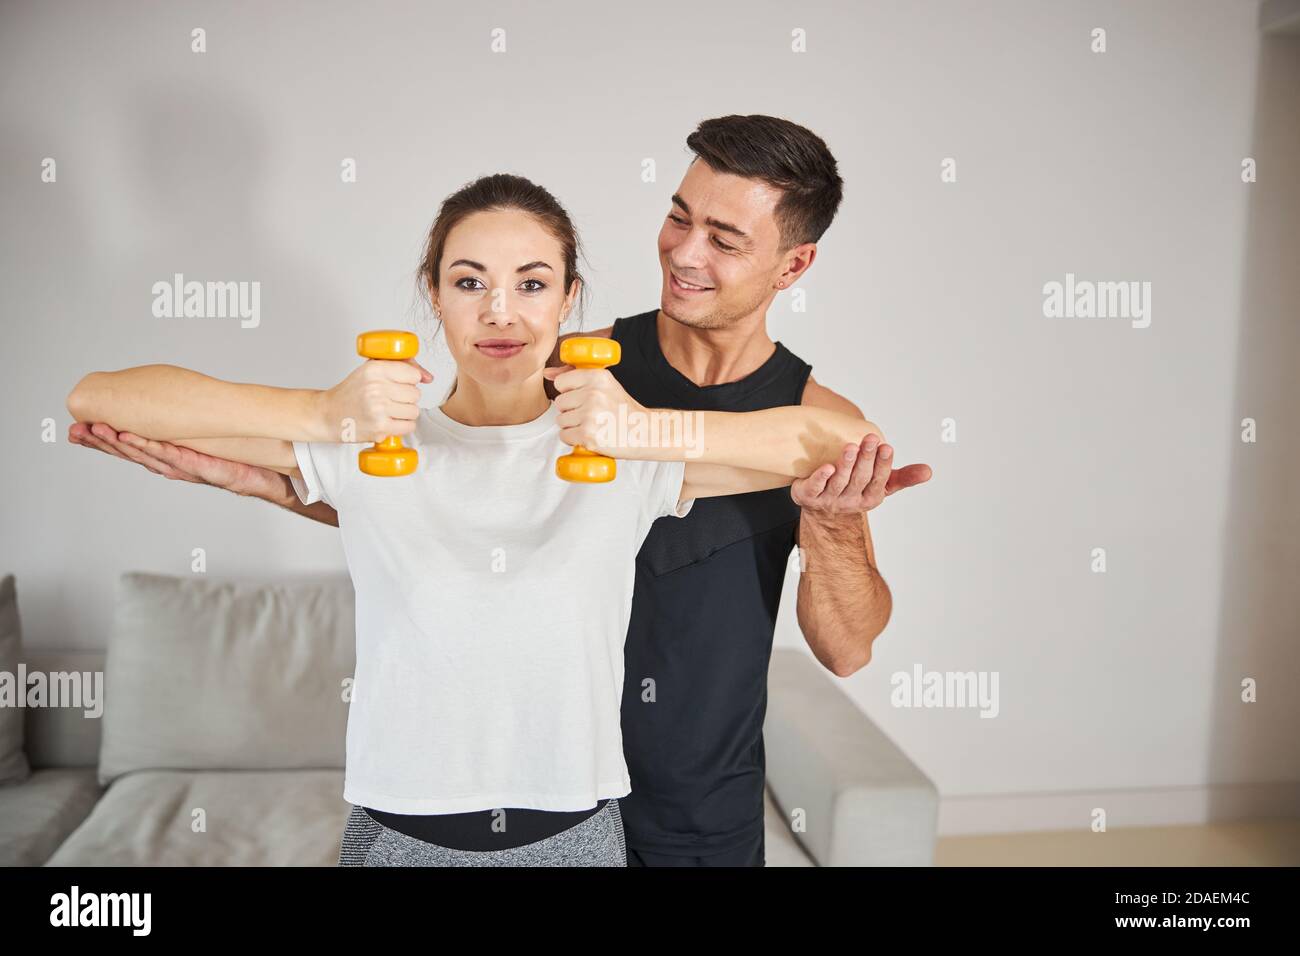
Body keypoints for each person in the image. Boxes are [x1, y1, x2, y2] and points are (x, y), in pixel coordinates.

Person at [70, 114, 934, 866]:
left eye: (726, 238)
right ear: (434, 295)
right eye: (678, 216)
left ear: (794, 264)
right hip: (451, 816)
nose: (684, 250)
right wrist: (302, 448)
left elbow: (844, 588)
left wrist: (651, 436)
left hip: (677, 805)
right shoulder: (521, 381)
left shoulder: (659, 434)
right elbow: (447, 484)